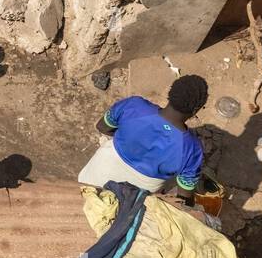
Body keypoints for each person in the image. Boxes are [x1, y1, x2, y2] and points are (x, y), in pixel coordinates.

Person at [79, 75, 208, 199]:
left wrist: (127, 138)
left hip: (90, 180)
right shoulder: (193, 150)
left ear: (170, 92)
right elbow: (184, 196)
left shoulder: (133, 106)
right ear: (196, 109)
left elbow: (102, 127)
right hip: (130, 203)